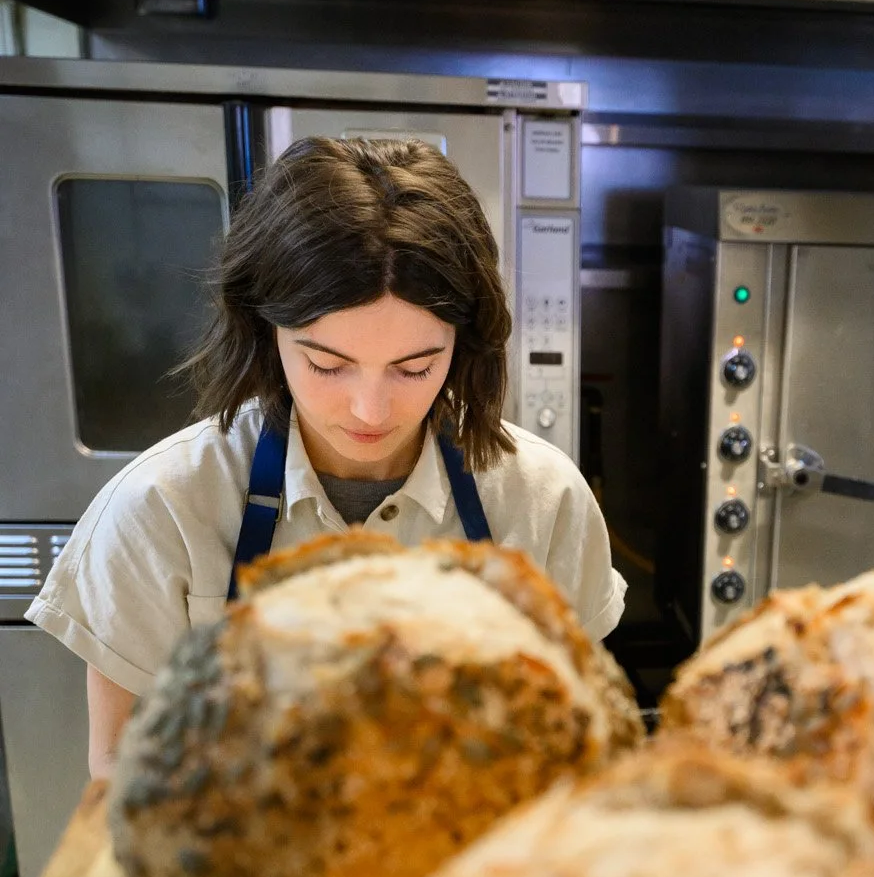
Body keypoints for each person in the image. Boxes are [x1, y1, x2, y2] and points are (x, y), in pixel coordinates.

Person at [28, 136, 625, 779]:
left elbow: (583, 745)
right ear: (264, 329)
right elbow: (120, 771)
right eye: (327, 365)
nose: (370, 411)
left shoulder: (545, 502)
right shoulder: (163, 510)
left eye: (415, 368)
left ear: (466, 345)